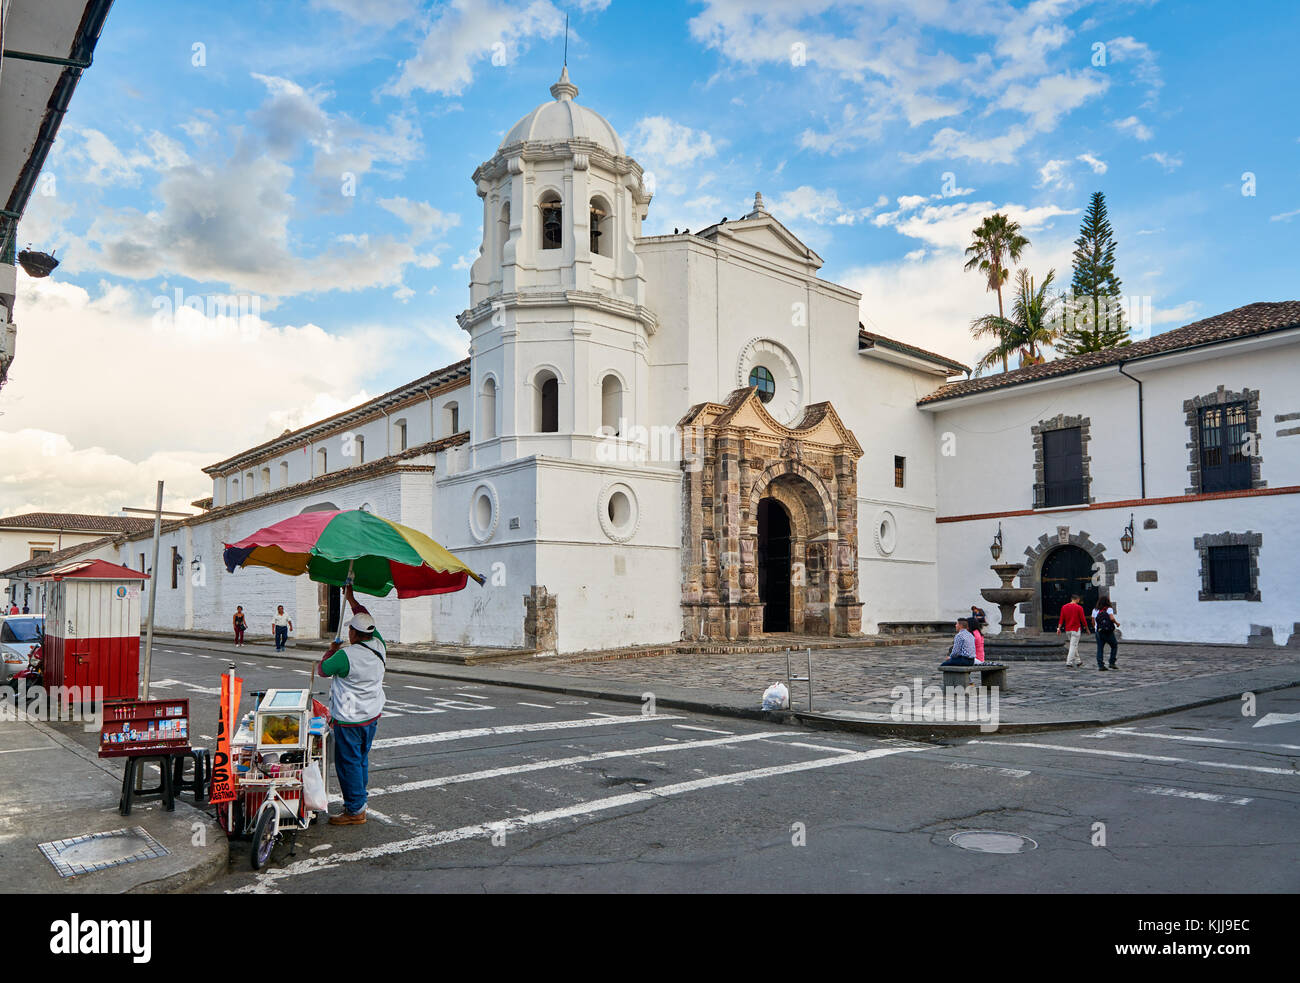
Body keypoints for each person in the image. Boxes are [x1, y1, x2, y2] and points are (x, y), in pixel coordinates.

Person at [317, 584, 387, 826]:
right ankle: (360, 800)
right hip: (371, 716)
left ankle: (355, 809)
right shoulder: (379, 646)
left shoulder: (345, 656)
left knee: (348, 764)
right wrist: (352, 598)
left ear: (353, 633)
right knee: (360, 760)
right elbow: (366, 619)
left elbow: (322, 670)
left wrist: (330, 651)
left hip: (349, 719)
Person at [1056, 593, 1090, 668]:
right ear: (1077, 599)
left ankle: (1078, 661)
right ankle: (1069, 662)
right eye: (1079, 600)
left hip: (1068, 629)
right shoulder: (1079, 608)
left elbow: (1061, 619)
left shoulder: (1064, 607)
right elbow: (1083, 620)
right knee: (1073, 646)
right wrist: (1087, 629)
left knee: (1073, 645)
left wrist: (1058, 628)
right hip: (1076, 629)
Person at [1094, 599, 1120, 671]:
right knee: (1114, 645)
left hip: (1098, 632)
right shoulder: (1109, 609)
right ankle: (1111, 662)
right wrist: (1116, 623)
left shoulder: (1095, 610)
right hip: (1108, 631)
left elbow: (1093, 620)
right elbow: (1111, 618)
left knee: (1100, 648)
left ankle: (1100, 665)